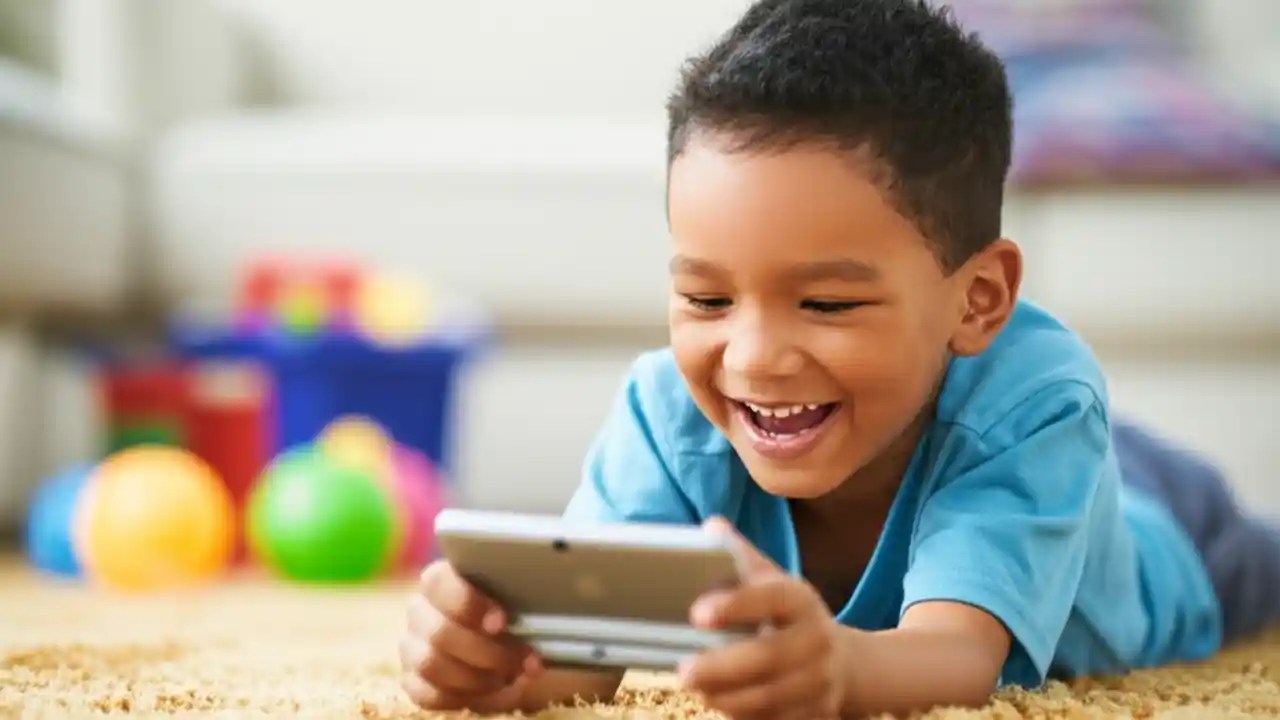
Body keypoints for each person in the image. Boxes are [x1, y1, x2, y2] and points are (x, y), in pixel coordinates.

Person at [399, 1, 1280, 717]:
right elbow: (585, 656)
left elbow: (954, 658)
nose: (753, 358)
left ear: (978, 301)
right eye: (706, 299)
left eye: (825, 304)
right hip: (993, 432)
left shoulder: (1034, 404)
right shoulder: (668, 415)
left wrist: (838, 671)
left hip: (1173, 533)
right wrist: (495, 661)